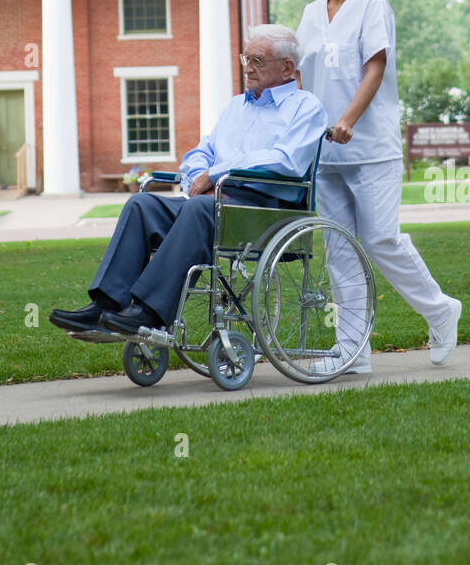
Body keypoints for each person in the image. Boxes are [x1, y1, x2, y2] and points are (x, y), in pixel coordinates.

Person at [49, 25, 327, 338]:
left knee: (199, 208)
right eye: (245, 58)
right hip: (214, 201)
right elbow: (201, 151)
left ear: (287, 67)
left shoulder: (306, 108)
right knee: (142, 204)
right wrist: (197, 176)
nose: (247, 67)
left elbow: (286, 161)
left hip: (265, 210)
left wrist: (218, 174)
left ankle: (149, 312)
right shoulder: (237, 106)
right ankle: (108, 305)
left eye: (257, 60)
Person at [295, 0, 462, 373]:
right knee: (339, 249)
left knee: (381, 239)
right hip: (325, 153)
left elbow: (375, 68)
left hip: (371, 148)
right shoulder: (311, 13)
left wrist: (348, 119)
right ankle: (352, 352)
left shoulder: (372, 8)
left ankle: (440, 310)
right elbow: (299, 74)